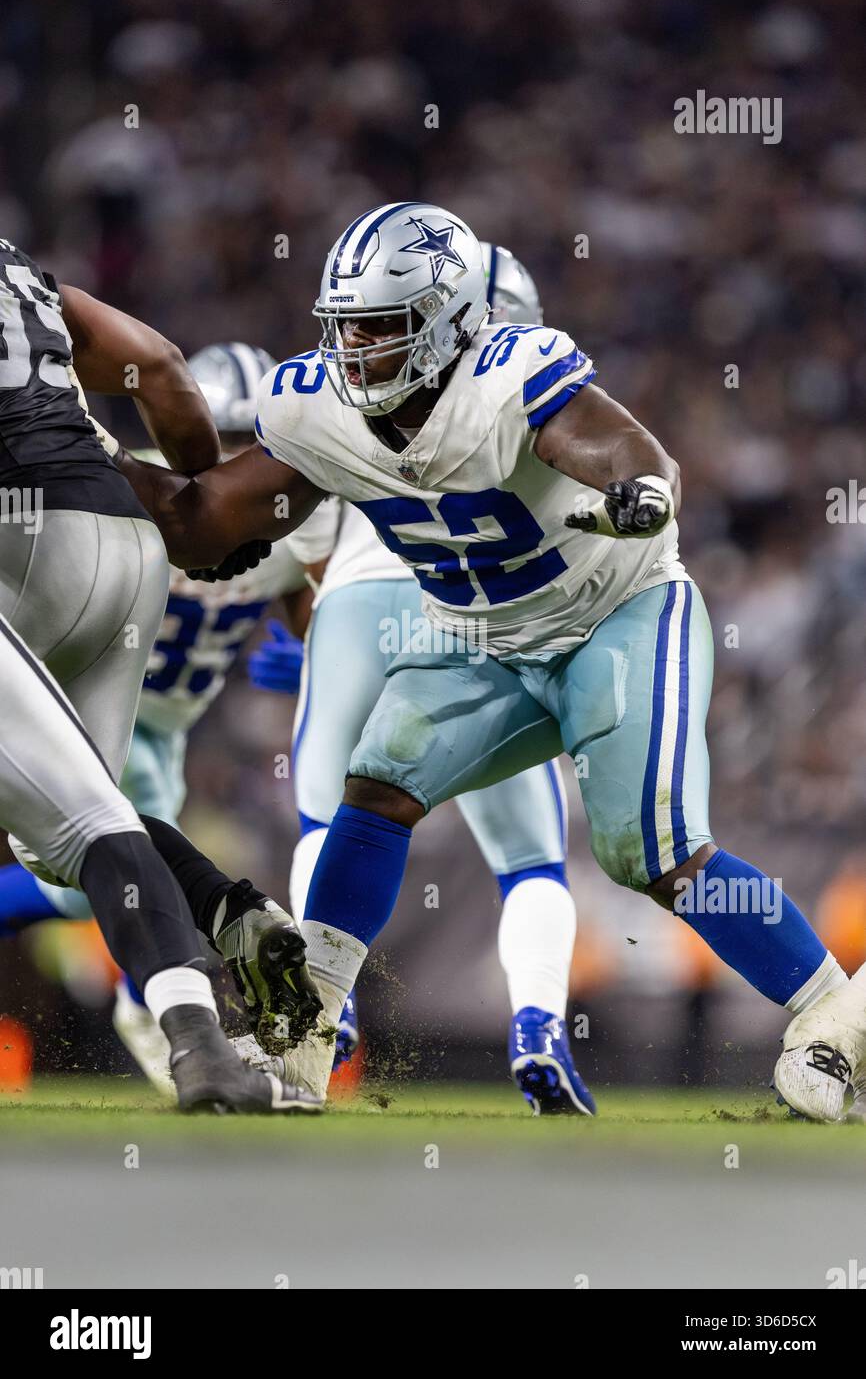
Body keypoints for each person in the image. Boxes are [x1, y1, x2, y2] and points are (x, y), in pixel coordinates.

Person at [112, 203, 866, 1122]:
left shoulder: (507, 373)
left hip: (612, 617)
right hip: (481, 636)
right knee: (377, 787)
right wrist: (95, 459)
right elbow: (206, 521)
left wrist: (638, 486)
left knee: (654, 851)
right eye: (344, 325)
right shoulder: (317, 407)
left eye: (380, 327)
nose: (353, 350)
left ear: (446, 321)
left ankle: (834, 1018)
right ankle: (304, 1039)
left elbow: (620, 445)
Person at [247, 244, 593, 1116]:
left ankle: (326, 1005)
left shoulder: (337, 395)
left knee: (328, 818)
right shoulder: (532, 391)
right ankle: (539, 1026)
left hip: (358, 603)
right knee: (531, 861)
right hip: (481, 614)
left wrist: (313, 636)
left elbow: (297, 543)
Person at [0, 241, 318, 1111]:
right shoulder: (21, 272)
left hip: (13, 546)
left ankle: (200, 1040)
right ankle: (226, 914)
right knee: (77, 828)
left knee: (79, 827)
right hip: (122, 548)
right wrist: (205, 503)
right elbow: (160, 365)